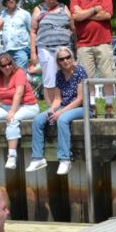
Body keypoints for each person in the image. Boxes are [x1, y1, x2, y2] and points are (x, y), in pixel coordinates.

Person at [28, 47, 86, 176]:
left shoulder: (79, 71)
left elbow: (80, 99)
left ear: (72, 57)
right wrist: (52, 109)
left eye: (67, 57)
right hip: (64, 106)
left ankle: (65, 159)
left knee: (62, 119)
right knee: (38, 119)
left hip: (82, 107)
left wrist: (59, 113)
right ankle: (38, 158)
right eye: (61, 59)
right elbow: (58, 99)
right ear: (58, 62)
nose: (65, 61)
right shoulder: (59, 75)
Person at [69, 0, 116, 89]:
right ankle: (91, 106)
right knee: (86, 79)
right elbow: (75, 17)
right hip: (83, 44)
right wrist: (94, 9)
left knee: (109, 77)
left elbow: (107, 15)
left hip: (104, 42)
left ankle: (109, 106)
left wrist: (83, 14)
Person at [31, 0, 74, 103]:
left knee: (67, 77)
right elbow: (33, 31)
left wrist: (75, 46)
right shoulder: (38, 9)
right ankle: (51, 108)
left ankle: (67, 103)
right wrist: (33, 53)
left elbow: (72, 28)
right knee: (50, 79)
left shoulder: (64, 8)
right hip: (46, 48)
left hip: (64, 49)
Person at [0, 0, 32, 69]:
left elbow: (32, 31)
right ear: (5, 2)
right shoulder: (2, 16)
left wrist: (34, 50)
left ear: (16, 0)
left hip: (21, 49)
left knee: (20, 72)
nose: (11, 0)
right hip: (7, 51)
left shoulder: (25, 14)